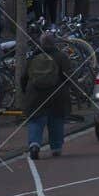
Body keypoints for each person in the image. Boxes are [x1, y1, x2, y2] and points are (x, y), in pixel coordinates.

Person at [19, 31, 72, 160]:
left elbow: (24, 77)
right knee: (56, 121)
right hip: (57, 96)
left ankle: (34, 144)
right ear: (54, 43)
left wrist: (26, 91)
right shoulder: (61, 57)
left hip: (35, 95)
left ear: (41, 43)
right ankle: (56, 148)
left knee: (36, 121)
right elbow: (70, 77)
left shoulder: (33, 57)